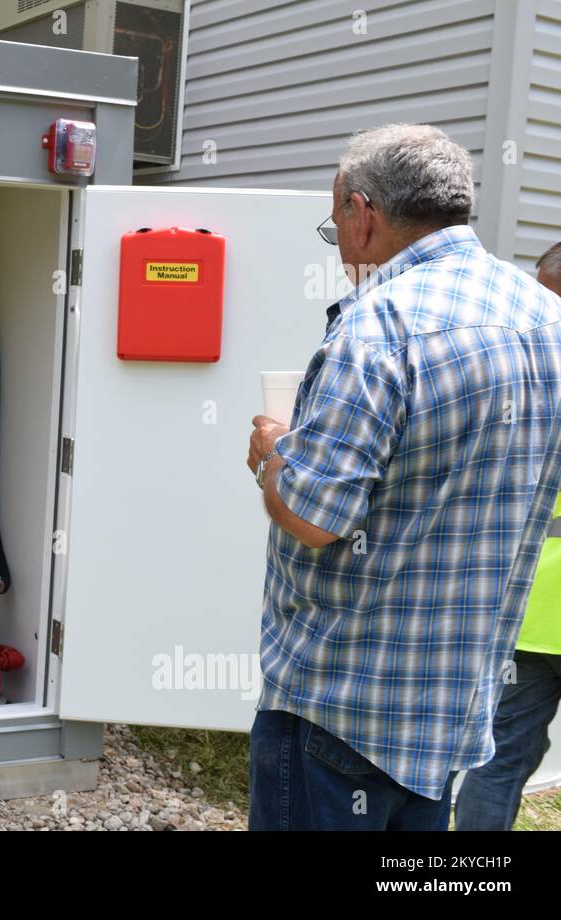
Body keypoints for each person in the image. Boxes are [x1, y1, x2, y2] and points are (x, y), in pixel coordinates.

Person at [245, 124, 561, 831]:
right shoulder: (547, 319)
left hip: (340, 710)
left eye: (336, 228)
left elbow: (315, 515)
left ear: (364, 214)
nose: (342, 246)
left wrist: (276, 452)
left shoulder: (378, 326)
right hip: (451, 710)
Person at [454, 242, 561, 830]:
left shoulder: (516, 369)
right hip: (530, 612)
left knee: (501, 759)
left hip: (530, 612)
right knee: (501, 758)